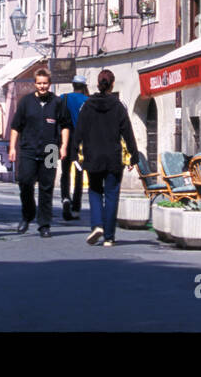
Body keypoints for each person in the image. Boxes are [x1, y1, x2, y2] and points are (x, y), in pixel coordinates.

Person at [71, 70, 139, 247]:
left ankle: (96, 225)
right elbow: (127, 132)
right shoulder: (118, 106)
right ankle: (109, 237)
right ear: (113, 84)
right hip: (113, 158)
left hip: (92, 156)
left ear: (97, 83)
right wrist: (134, 154)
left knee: (94, 191)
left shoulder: (87, 106)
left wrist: (73, 153)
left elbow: (79, 131)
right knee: (111, 194)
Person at [8, 68, 71, 236]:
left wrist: (63, 146)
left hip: (50, 150)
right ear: (34, 84)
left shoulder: (57, 102)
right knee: (25, 182)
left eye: (45, 83)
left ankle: (44, 224)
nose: (42, 86)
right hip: (28, 148)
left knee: (46, 187)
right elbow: (15, 127)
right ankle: (27, 215)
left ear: (49, 84)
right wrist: (12, 148)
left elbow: (65, 126)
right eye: (39, 83)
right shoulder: (26, 102)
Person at [60, 74, 89, 219]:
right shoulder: (88, 101)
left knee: (64, 172)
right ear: (84, 86)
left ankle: (65, 198)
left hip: (64, 139)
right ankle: (76, 206)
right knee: (79, 173)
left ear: (72, 85)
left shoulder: (63, 98)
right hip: (81, 142)